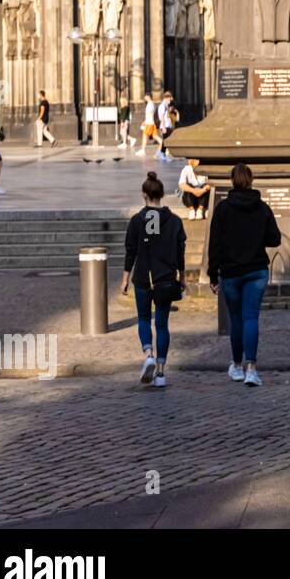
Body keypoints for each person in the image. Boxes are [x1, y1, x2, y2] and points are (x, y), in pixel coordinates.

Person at [207, 163, 281, 387]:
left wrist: (213, 274)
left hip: (231, 271)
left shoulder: (223, 209)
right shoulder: (262, 208)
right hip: (256, 269)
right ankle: (252, 368)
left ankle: (237, 365)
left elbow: (215, 244)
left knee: (236, 319)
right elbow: (275, 239)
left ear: (232, 181)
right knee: (251, 318)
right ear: (251, 180)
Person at [120, 172, 186, 388]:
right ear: (162, 194)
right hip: (165, 277)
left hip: (143, 277)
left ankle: (148, 352)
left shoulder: (138, 220)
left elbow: (131, 252)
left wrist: (125, 279)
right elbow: (180, 252)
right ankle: (160, 371)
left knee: (143, 319)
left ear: (144, 194)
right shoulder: (175, 221)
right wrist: (182, 277)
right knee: (163, 324)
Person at [156, 92, 176, 161]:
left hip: (168, 125)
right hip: (165, 126)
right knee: (166, 140)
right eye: (170, 99)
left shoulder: (165, 105)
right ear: (166, 98)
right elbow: (161, 117)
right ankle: (161, 153)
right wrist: (164, 127)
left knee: (166, 140)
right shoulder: (162, 106)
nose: (170, 101)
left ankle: (162, 153)